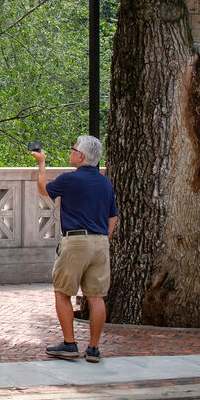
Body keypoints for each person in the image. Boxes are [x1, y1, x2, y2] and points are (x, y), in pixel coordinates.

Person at [32, 135, 117, 363]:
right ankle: (94, 348)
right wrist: (102, 238)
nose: (70, 152)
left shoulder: (71, 180)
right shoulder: (105, 182)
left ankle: (69, 344)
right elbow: (113, 217)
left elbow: (43, 189)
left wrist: (41, 163)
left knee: (63, 292)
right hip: (100, 242)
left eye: (73, 149)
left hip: (76, 240)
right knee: (97, 297)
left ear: (81, 156)